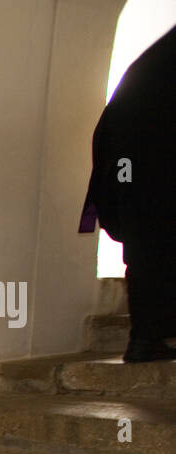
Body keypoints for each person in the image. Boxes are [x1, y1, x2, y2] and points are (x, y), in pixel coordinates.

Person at [80, 23, 176, 363]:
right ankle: (147, 338)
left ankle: (145, 339)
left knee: (145, 252)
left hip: (129, 174)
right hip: (150, 173)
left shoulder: (151, 68)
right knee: (153, 250)